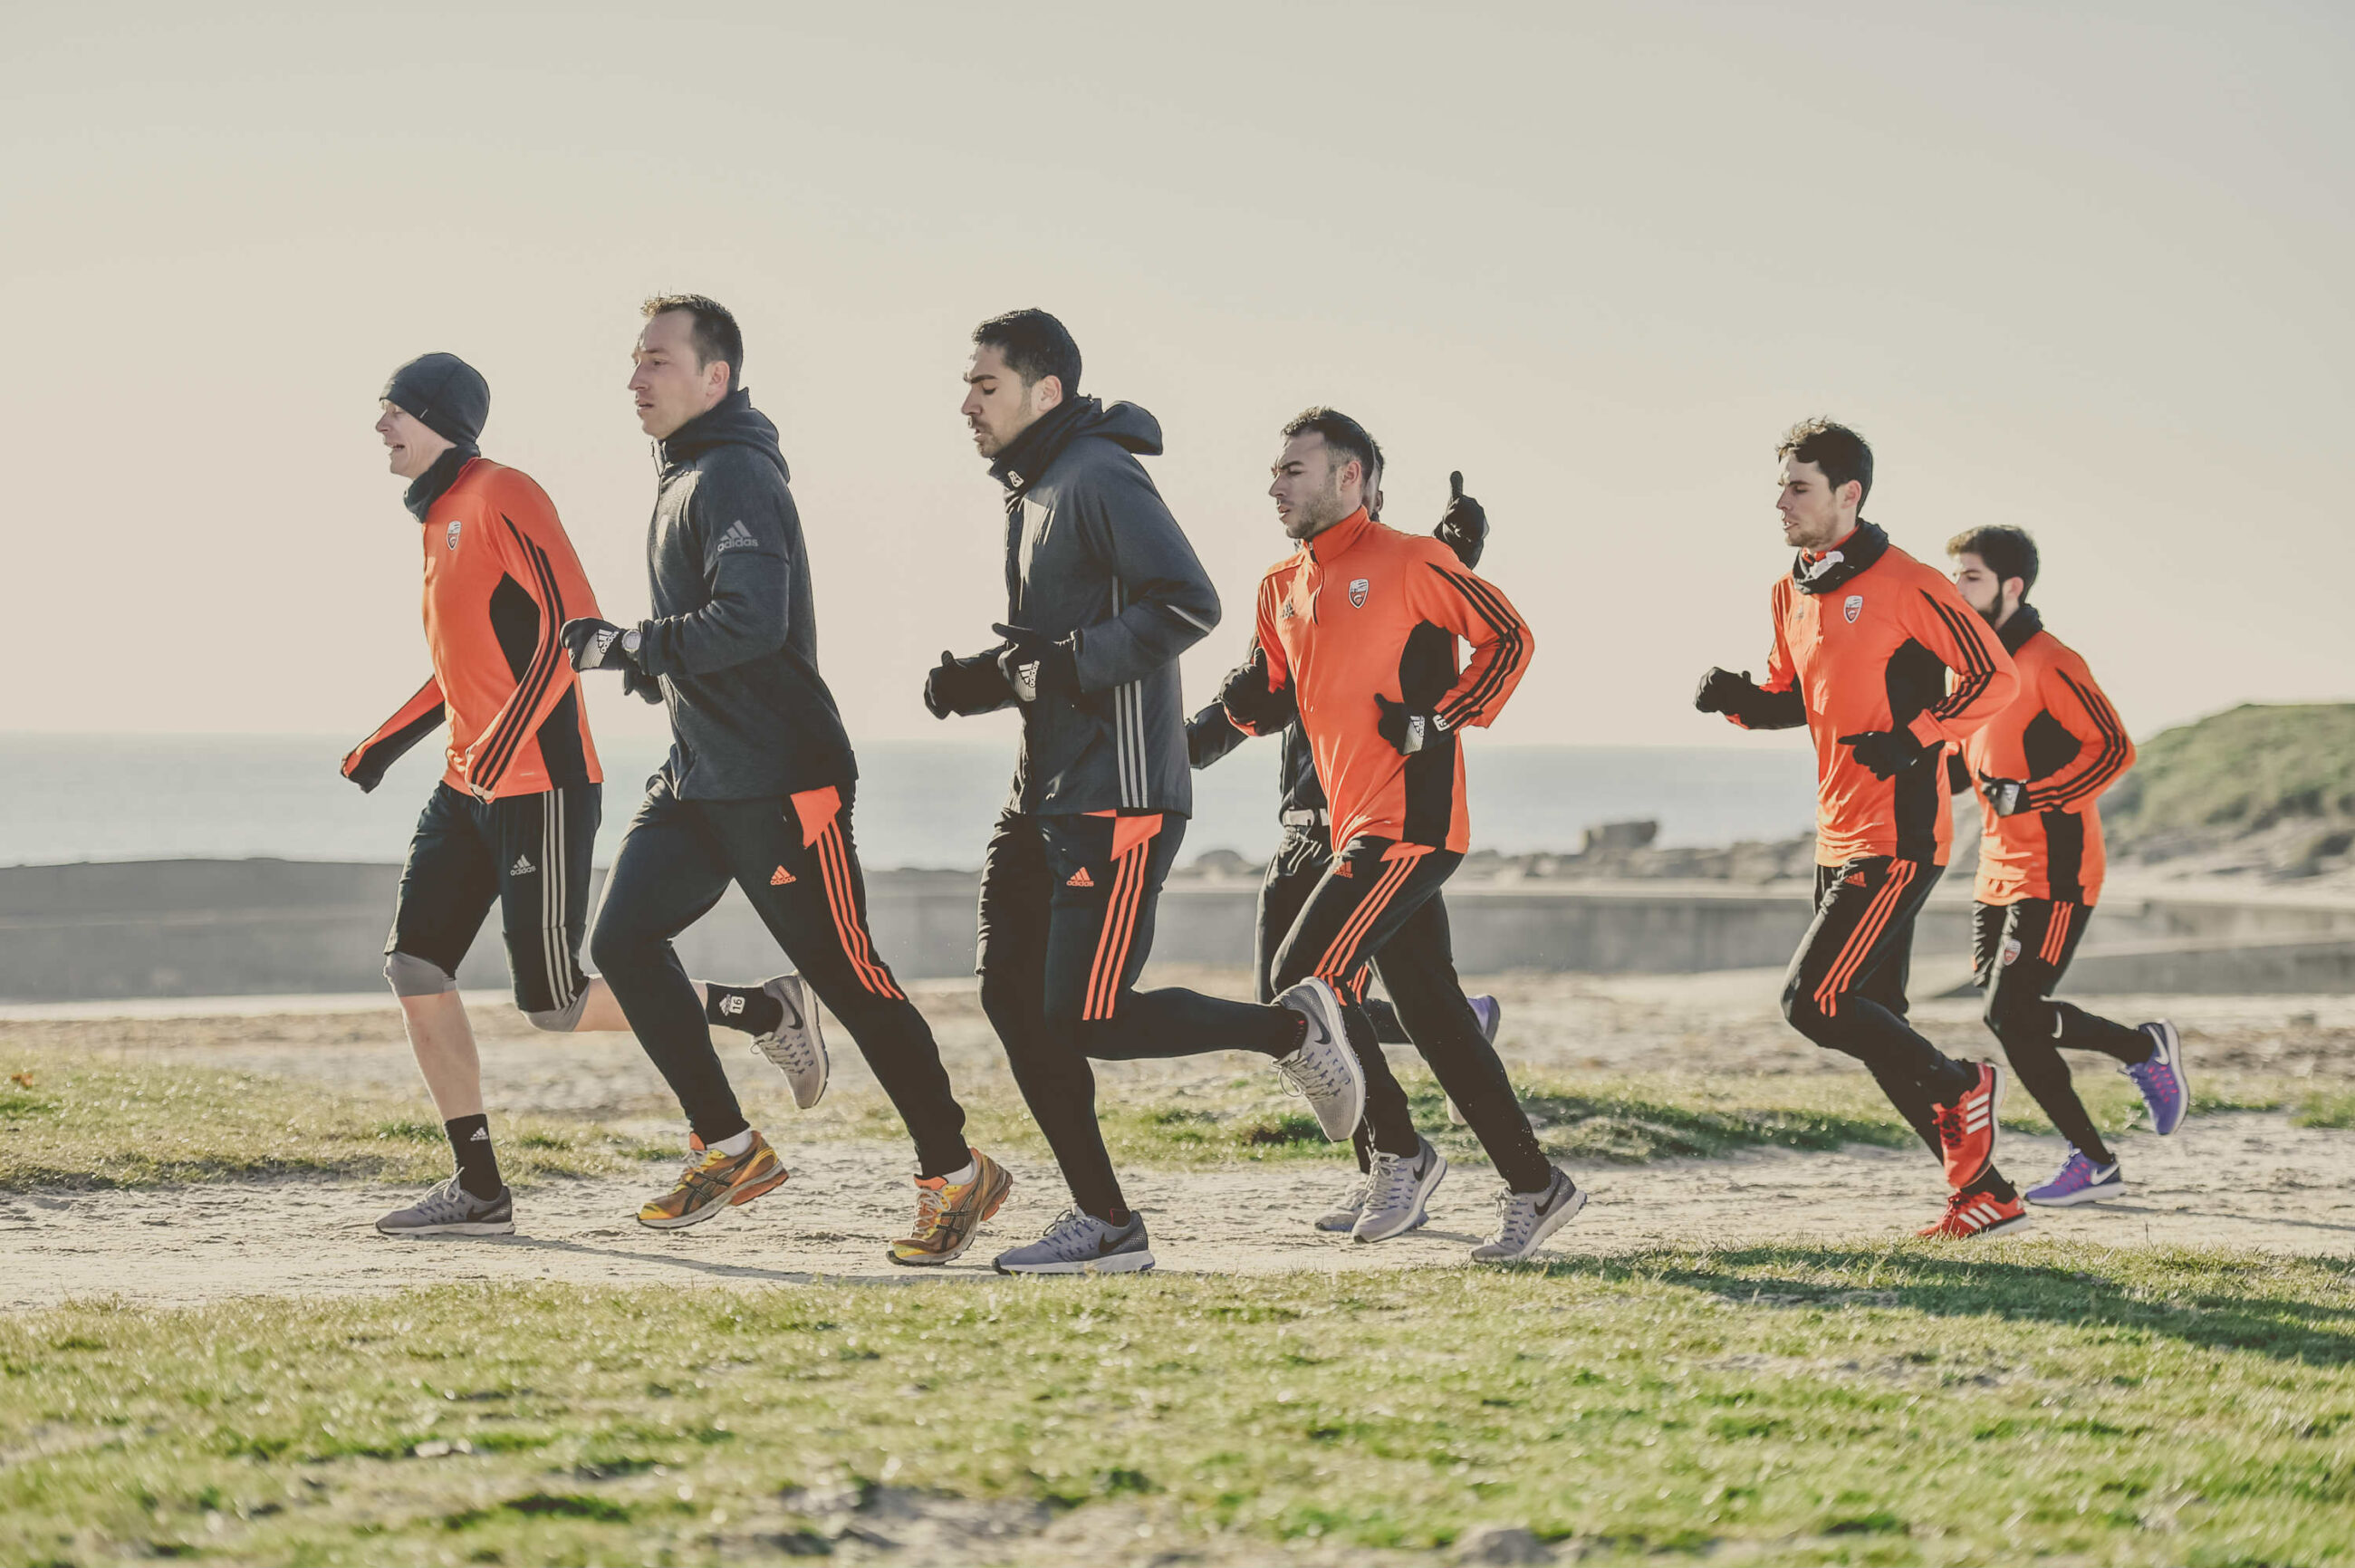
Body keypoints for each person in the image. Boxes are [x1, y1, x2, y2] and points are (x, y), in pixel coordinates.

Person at [562, 295, 1007, 1263]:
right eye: (633, 361)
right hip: (696, 775)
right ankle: (728, 1147)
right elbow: (712, 640)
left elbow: (750, 622)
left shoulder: (733, 477)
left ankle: (957, 1175)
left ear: (714, 377)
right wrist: (637, 664)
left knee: (851, 980)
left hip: (779, 782)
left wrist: (631, 643)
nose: (635, 379)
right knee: (623, 941)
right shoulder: (683, 472)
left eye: (657, 362)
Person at [928, 308, 1365, 1275]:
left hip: (1117, 797)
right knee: (1009, 998)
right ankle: (1105, 1224)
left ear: (1044, 392)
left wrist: (1052, 668)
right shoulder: (1035, 487)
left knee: (1087, 1015)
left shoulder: (1098, 474)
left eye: (984, 385)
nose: (965, 403)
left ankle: (1289, 1027)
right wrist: (983, 677)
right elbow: (1057, 652)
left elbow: (1185, 603)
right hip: (1040, 796)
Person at [346, 354, 811, 1238]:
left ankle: (760, 1007)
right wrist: (386, 742)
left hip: (540, 786)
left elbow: (573, 628)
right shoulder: (438, 516)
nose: (380, 429)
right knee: (414, 966)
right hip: (466, 779)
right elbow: (466, 667)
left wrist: (501, 744)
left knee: (554, 1001)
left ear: (439, 417)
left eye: (393, 413)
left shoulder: (500, 493)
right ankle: (478, 1187)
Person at [1226, 407, 1582, 1263]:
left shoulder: (1417, 560)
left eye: (1294, 471)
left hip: (1410, 825)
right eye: (1275, 470)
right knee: (1435, 1018)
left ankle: (1399, 1152)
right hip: (1349, 822)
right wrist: (1233, 702)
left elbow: (1509, 637)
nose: (1276, 485)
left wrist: (1444, 717)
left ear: (1351, 478)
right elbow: (1271, 694)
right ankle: (1536, 1186)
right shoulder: (1282, 584)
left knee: (1302, 976)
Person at [1695, 418, 2025, 1239]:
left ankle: (1960, 1086)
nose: (1781, 502)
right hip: (1836, 833)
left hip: (1899, 834)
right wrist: (1735, 696)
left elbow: (1996, 677)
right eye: (1779, 486)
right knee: (1879, 1023)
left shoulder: (1909, 581)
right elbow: (1792, 700)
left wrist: (1916, 736)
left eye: (1798, 486)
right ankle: (1985, 1191)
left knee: (1814, 1000)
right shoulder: (1790, 589)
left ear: (1850, 494)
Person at [1946, 525, 2187, 1206]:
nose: (1957, 588)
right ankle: (2141, 1053)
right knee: (2008, 1016)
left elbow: (2113, 748)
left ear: (2011, 587)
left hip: (2056, 867)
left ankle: (2095, 1157)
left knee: (2009, 1006)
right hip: (1996, 868)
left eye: (1970, 576)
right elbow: (1973, 762)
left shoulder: (2052, 660)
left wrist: (2037, 794)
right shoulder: (1974, 666)